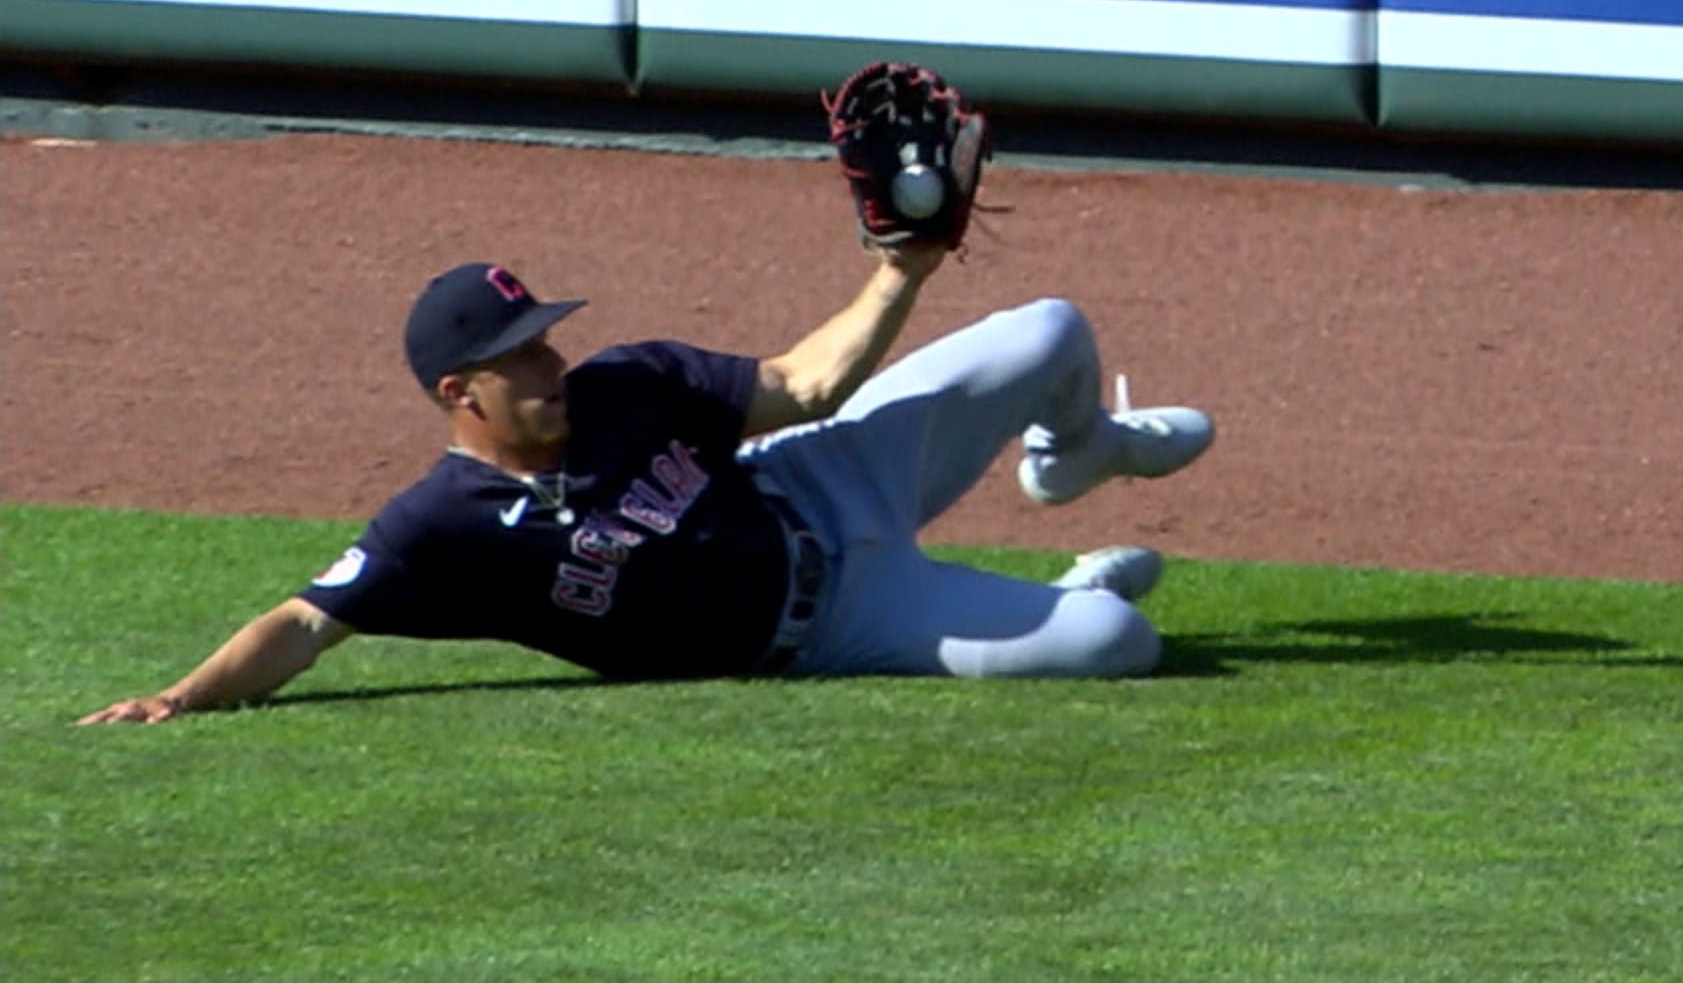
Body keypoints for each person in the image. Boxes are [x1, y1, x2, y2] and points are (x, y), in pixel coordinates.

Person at [81, 245, 1216, 723]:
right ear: (460, 393)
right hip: (839, 624)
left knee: (1049, 328)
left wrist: (898, 270)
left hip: (823, 478)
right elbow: (304, 621)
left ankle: (1080, 451)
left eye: (544, 338)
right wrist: (181, 698)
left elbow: (805, 385)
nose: (552, 361)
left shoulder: (628, 382)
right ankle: (1069, 589)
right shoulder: (443, 527)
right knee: (1117, 645)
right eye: (522, 355)